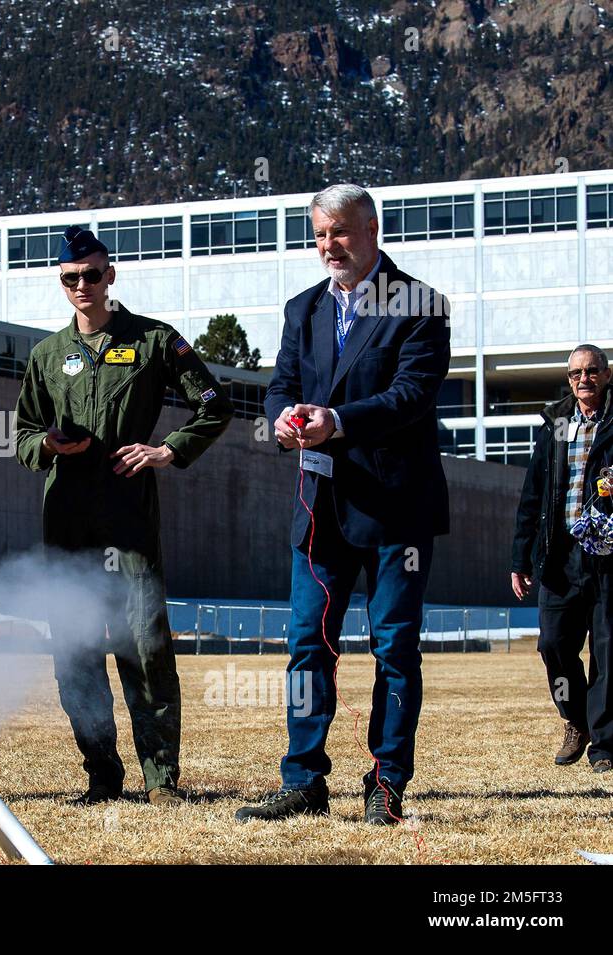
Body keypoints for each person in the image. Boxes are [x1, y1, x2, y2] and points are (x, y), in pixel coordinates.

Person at [236, 184, 450, 825]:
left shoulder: (421, 305)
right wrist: (282, 420)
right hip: (319, 510)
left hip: (395, 513)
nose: (330, 247)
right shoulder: (302, 309)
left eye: (342, 233)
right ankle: (303, 780)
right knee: (306, 645)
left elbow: (412, 394)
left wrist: (337, 421)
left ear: (372, 229)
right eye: (321, 235)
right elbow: (280, 385)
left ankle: (387, 781)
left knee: (395, 649)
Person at [11, 225, 233, 806]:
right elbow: (24, 436)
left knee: (145, 645)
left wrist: (167, 450)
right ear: (61, 284)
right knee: (76, 649)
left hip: (129, 520)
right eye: (70, 279)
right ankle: (102, 775)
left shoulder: (155, 341)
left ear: (110, 275)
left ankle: (161, 780)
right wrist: (48, 447)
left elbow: (213, 405)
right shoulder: (47, 356)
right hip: (67, 524)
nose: (82, 286)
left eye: (91, 274)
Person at [511, 345, 613, 773]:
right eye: (575, 374)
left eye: (591, 371)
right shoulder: (555, 423)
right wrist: (520, 557)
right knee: (552, 644)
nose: (583, 379)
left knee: (608, 653)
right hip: (558, 556)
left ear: (607, 375)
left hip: (608, 557)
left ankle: (605, 745)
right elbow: (532, 494)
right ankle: (575, 720)